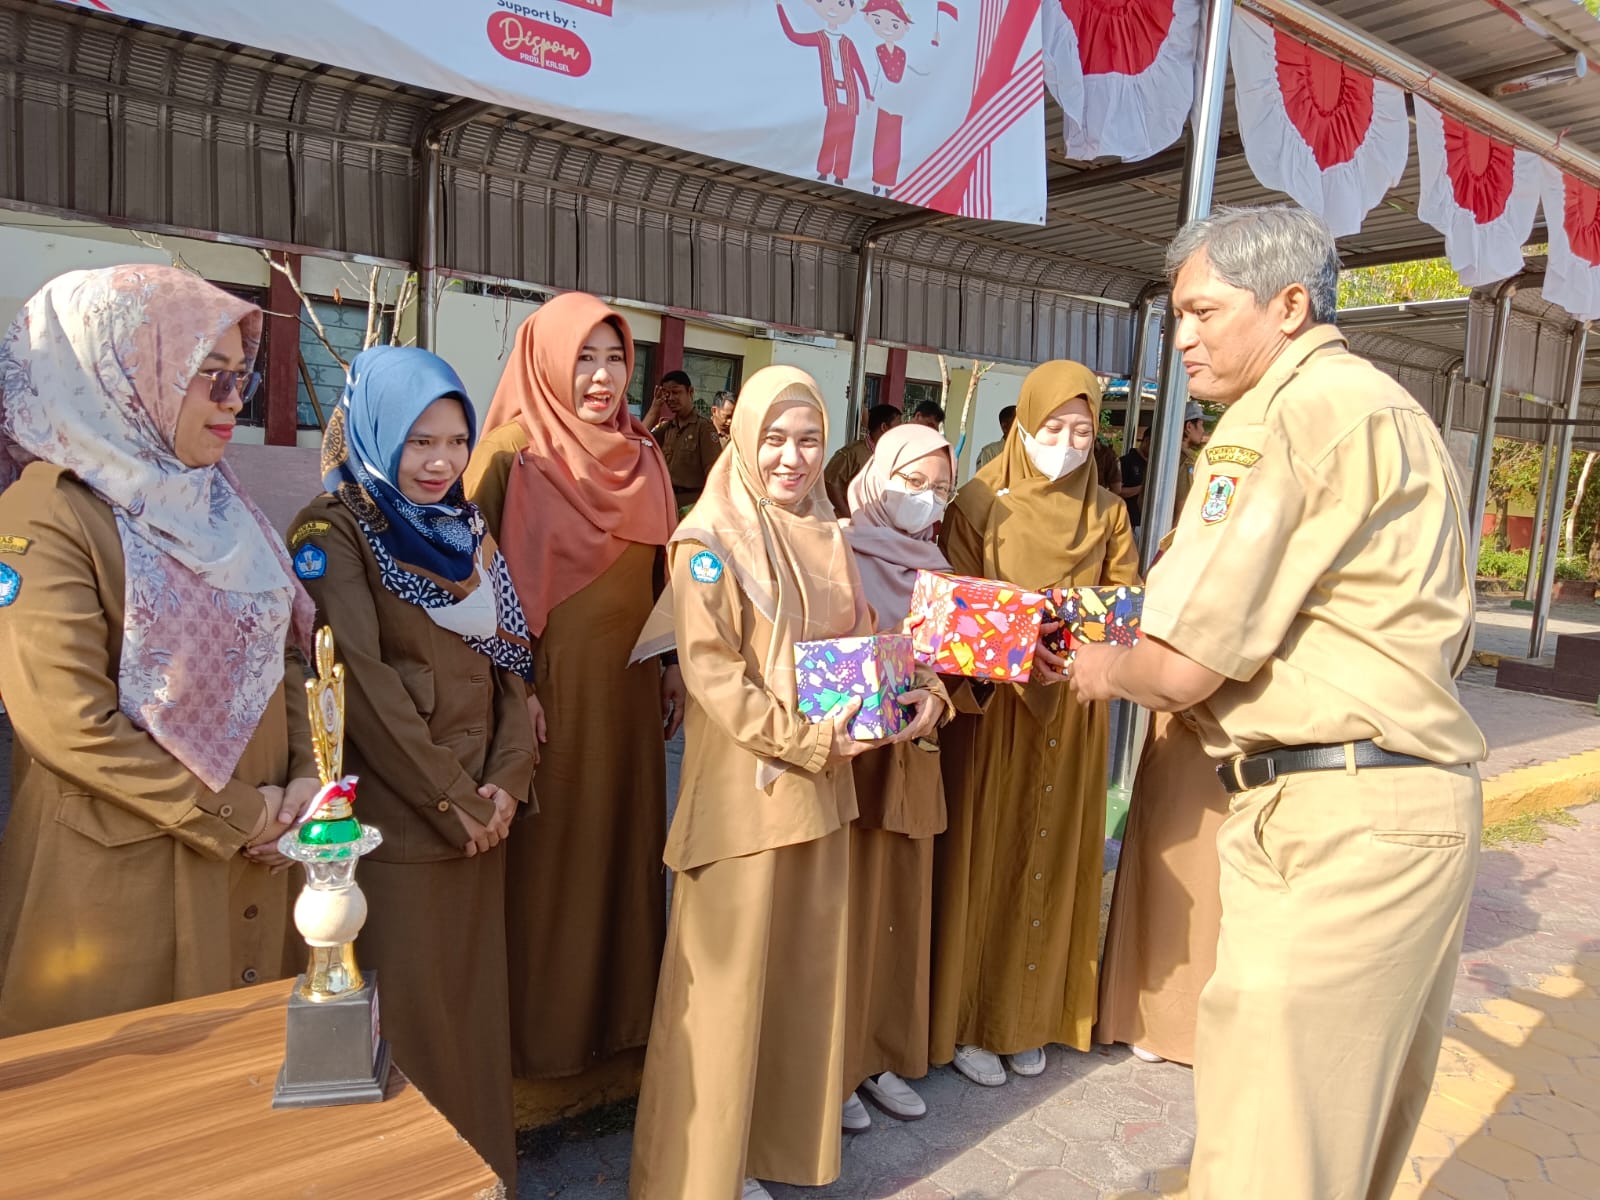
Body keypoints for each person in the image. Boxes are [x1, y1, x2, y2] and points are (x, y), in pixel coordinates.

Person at [1070, 205, 1484, 1200]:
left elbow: (1180, 663)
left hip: (1334, 829)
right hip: (1408, 810)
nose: (1184, 338)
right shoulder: (1387, 409)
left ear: (1289, 305)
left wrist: (1096, 664)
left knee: (1271, 1157)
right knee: (1333, 1155)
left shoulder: (1283, 416)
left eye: (1204, 312)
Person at [627, 365, 941, 1200]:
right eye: (773, 438)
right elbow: (713, 675)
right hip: (748, 798)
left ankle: (761, 1152)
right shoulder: (708, 541)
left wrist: (922, 691)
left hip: (821, 795)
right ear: (742, 438)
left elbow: (869, 638)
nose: (791, 458)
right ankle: (695, 1175)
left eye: (808, 440)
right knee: (723, 999)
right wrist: (806, 742)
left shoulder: (827, 533)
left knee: (795, 987)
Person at [0, 264, 319, 1035]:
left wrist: (308, 778)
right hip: (129, 870)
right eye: (209, 375)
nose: (233, 400)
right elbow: (69, 721)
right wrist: (241, 813)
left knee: (249, 1072)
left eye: (241, 377)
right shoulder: (48, 514)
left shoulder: (218, 503)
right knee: (135, 1092)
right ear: (122, 370)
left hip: (261, 852)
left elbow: (284, 653)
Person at [287, 346, 536, 1189]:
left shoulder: (466, 529)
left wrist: (509, 779)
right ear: (375, 432)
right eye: (418, 442)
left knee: (472, 1020)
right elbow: (361, 687)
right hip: (405, 828)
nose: (440, 463)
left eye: (456, 441)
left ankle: (485, 1177)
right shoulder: (333, 532)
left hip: (483, 816)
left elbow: (510, 660)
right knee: (412, 1034)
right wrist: (453, 798)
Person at [465, 292, 681, 1106]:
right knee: (551, 867)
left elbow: (663, 579)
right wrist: (511, 689)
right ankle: (536, 1068)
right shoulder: (510, 454)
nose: (601, 376)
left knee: (623, 854)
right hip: (546, 700)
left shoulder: (643, 455)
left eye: (615, 357)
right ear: (547, 360)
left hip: (629, 699)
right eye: (583, 357)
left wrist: (672, 665)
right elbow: (469, 587)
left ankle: (619, 1052)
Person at [929, 360, 1139, 1088]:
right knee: (990, 851)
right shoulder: (979, 502)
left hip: (1075, 707)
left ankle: (1036, 1014)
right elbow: (953, 606)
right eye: (1052, 428)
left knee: (1054, 851)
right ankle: (974, 1019)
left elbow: (1122, 605)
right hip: (996, 711)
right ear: (1023, 422)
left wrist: (1076, 653)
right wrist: (1020, 652)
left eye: (1081, 431)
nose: (1066, 444)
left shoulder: (1107, 512)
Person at [838, 424, 956, 1130]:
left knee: (895, 911)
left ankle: (879, 1053)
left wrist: (937, 693)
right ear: (879, 476)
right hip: (851, 760)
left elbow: (944, 663)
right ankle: (836, 1065)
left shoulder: (938, 567)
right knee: (846, 911)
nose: (925, 499)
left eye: (940, 489)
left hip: (911, 758)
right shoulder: (836, 549)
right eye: (913, 482)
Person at [1094, 710, 1229, 1066]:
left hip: (1266, 726)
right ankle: (1156, 1018)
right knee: (1184, 854)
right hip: (1198, 721)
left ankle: (1199, 1019)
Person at [778, 0, 873, 186]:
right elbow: (793, 36)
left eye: (841, 3)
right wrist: (780, 7)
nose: (832, 7)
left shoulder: (848, 43)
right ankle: (823, 170)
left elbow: (859, 68)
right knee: (831, 133)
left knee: (847, 137)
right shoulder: (820, 37)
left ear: (851, 9)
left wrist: (868, 93)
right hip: (833, 95)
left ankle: (840, 174)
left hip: (851, 96)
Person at [645, 369, 722, 512]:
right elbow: (639, 440)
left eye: (676, 392)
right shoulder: (667, 428)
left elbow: (715, 473)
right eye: (666, 394)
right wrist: (655, 407)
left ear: (690, 392)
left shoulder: (704, 428)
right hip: (666, 503)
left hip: (691, 506)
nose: (670, 398)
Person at [824, 401, 901, 515]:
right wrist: (849, 515)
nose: (900, 432)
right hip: (853, 522)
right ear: (884, 427)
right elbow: (830, 482)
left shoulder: (891, 455)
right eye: (898, 427)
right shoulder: (852, 453)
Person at [1172, 400, 1208, 521]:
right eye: (1201, 424)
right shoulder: (1186, 461)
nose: (1203, 430)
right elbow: (1182, 507)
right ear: (1189, 426)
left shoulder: (1166, 454)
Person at [1118, 425, 1149, 531]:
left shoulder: (1154, 465)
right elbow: (1117, 491)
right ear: (1146, 441)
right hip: (1129, 522)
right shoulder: (1126, 461)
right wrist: (1143, 487)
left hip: (1146, 522)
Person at [975, 404, 1015, 470]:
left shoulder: (1028, 453)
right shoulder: (989, 453)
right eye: (1018, 422)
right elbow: (984, 476)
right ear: (1005, 427)